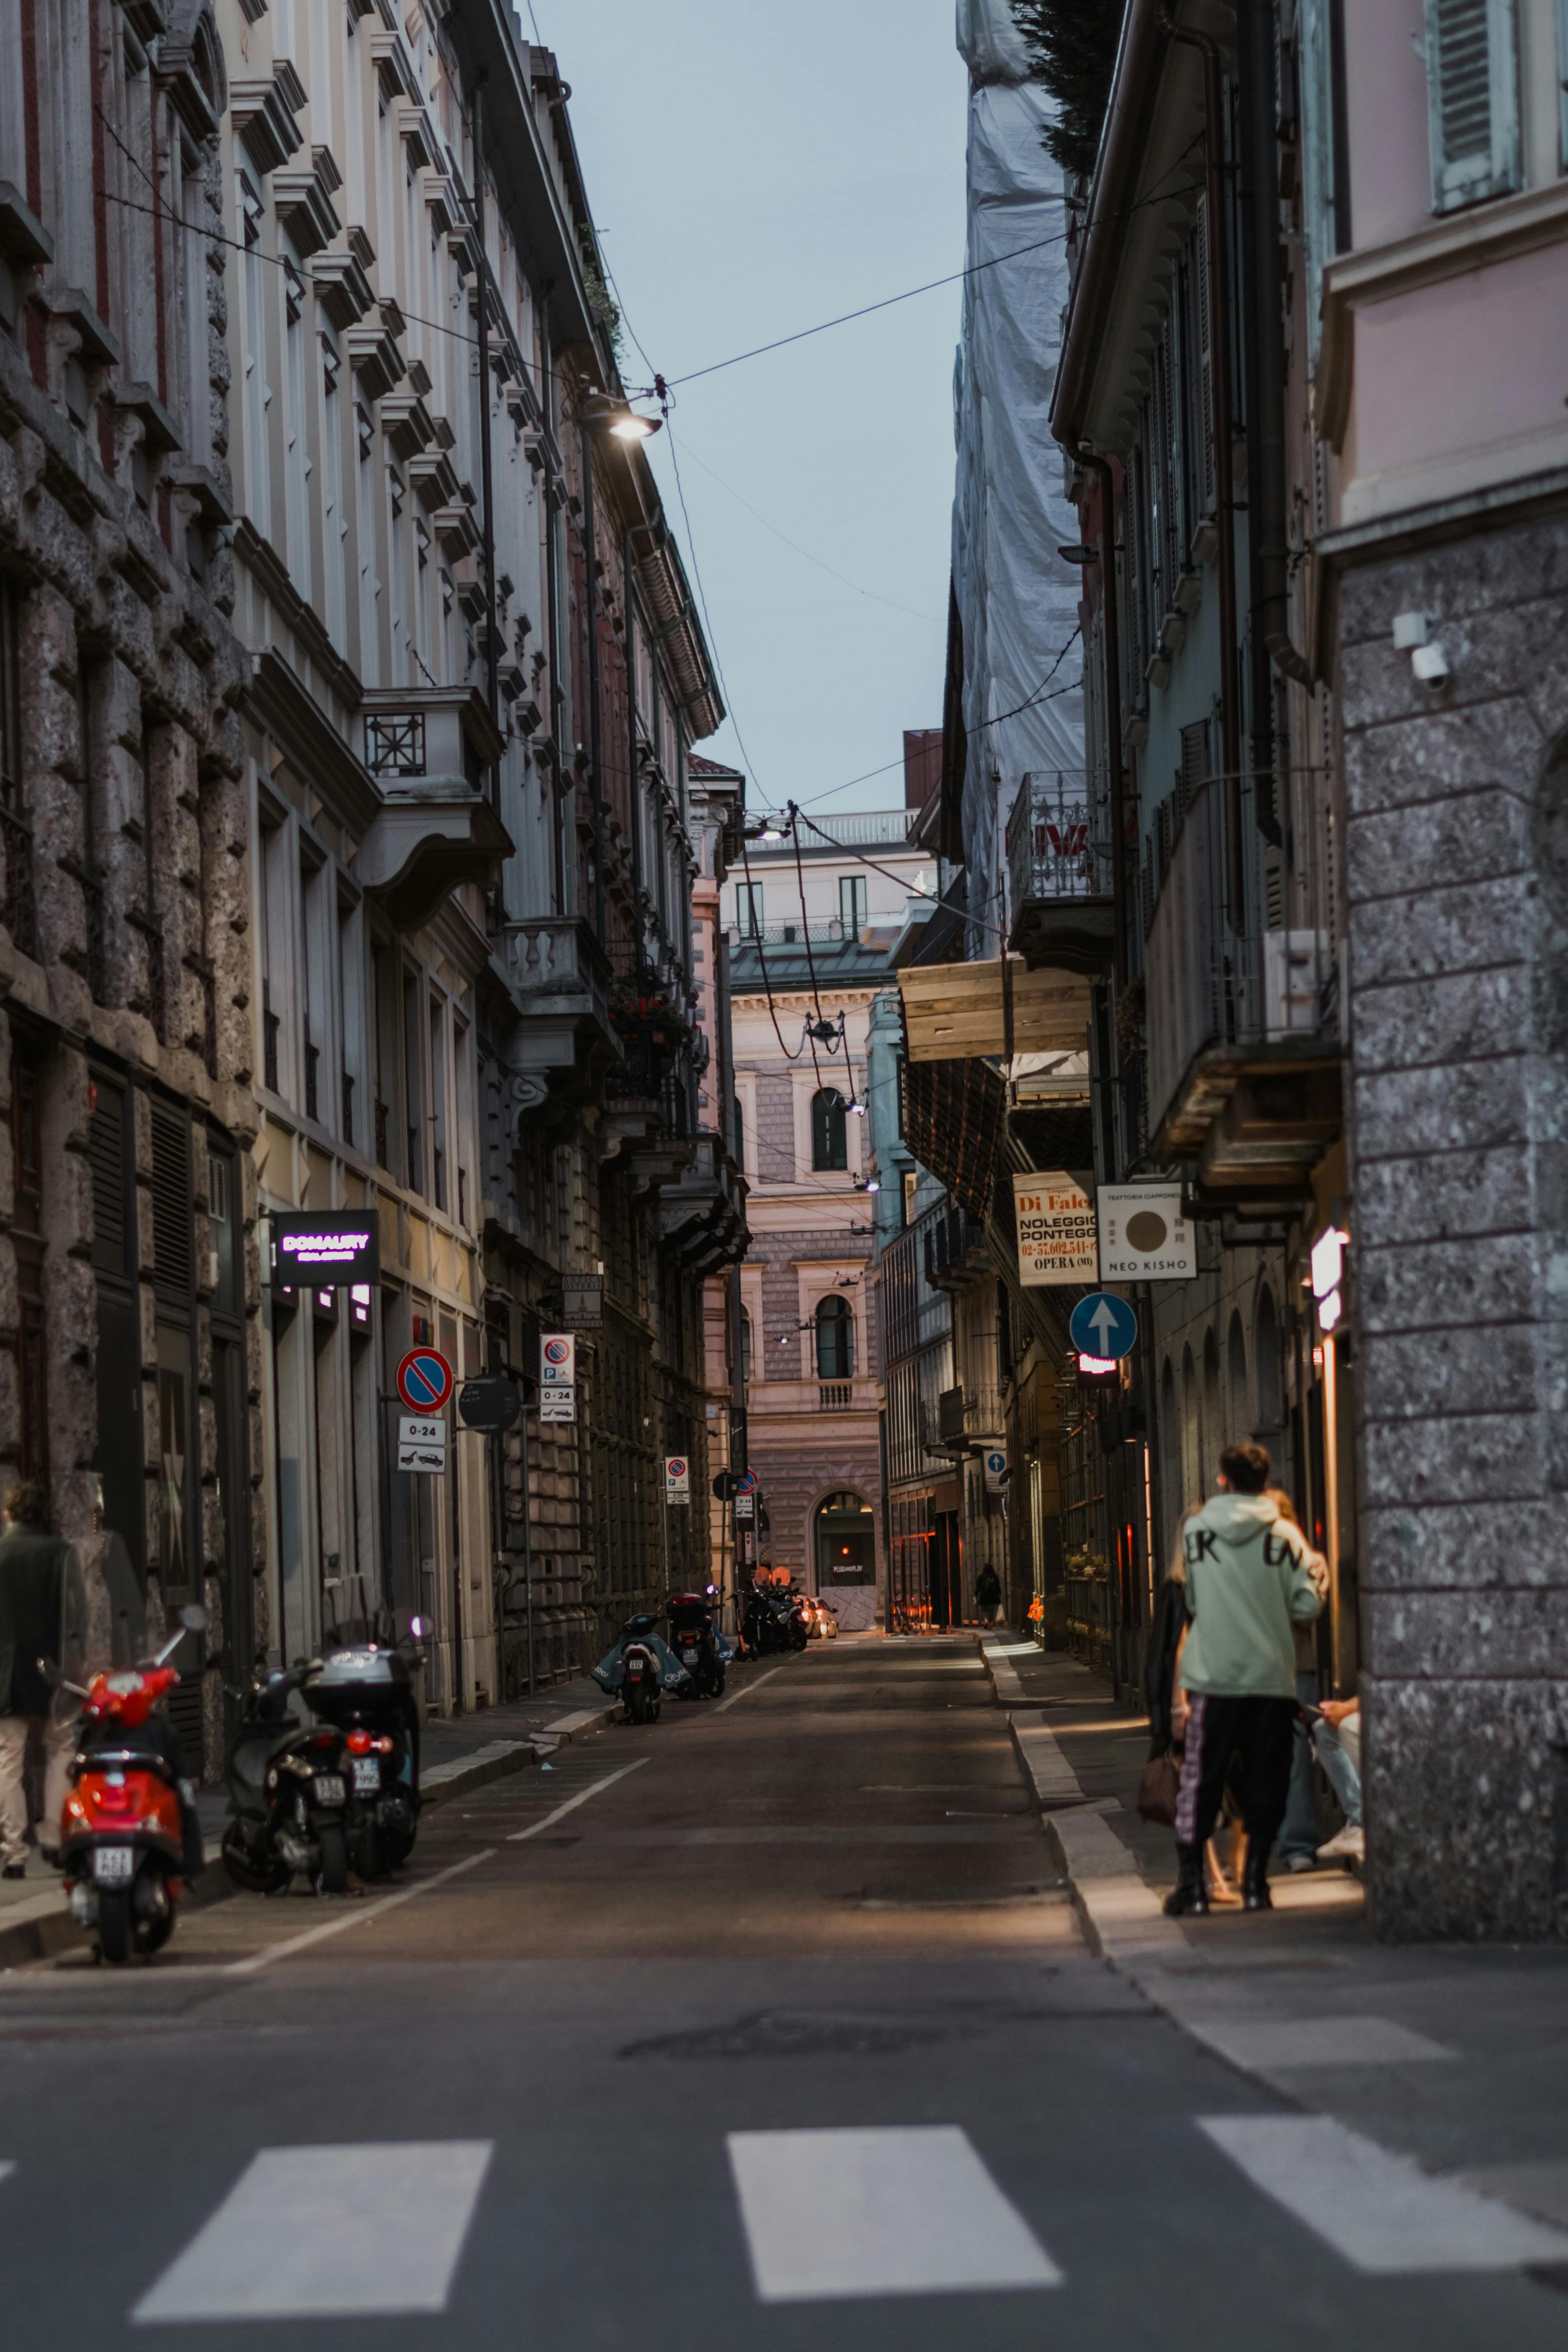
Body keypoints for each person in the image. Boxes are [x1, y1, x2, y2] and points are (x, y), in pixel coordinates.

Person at [1165, 1442, 1326, 1917]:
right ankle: (1256, 1881)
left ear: (1224, 1480)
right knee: (1267, 1779)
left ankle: (1192, 1886)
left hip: (1212, 1677)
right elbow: (1306, 1604)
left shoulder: (1196, 1530)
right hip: (1270, 1677)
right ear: (1264, 1479)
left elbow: (1192, 1599)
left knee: (1201, 1782)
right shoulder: (1285, 1536)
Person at [0, 1481, 73, 1879]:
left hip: (7, 1675)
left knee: (8, 1760)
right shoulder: (59, 1554)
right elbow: (75, 1617)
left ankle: (14, 1852)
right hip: (52, 1672)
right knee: (60, 1748)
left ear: (9, 1513)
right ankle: (55, 1838)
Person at [975, 1563, 1002, 1627]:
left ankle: (986, 1619)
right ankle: (990, 1623)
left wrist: (975, 1595)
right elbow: (998, 1587)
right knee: (991, 1610)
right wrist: (999, 1595)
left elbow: (978, 1588)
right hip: (993, 1596)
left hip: (984, 1596)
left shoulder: (981, 1577)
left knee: (983, 1609)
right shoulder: (995, 1577)